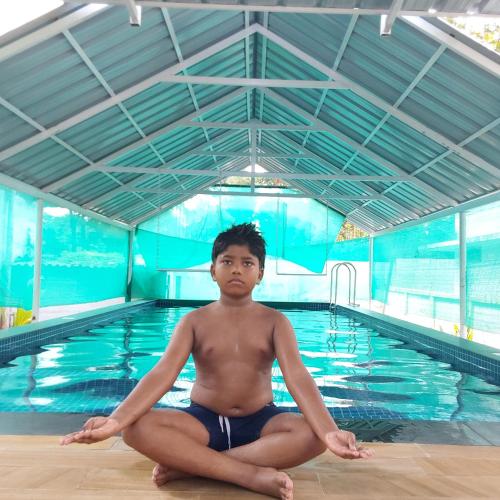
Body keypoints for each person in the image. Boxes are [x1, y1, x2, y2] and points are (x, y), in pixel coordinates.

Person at [61, 223, 373, 499]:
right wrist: (116, 419)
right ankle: (247, 475)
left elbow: (297, 377)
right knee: (135, 429)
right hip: (203, 422)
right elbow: (162, 374)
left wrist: (329, 430)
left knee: (315, 437)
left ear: (260, 274)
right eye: (227, 261)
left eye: (247, 263)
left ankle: (193, 466)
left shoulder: (275, 322)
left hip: (261, 421)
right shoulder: (194, 321)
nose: (237, 269)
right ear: (213, 270)